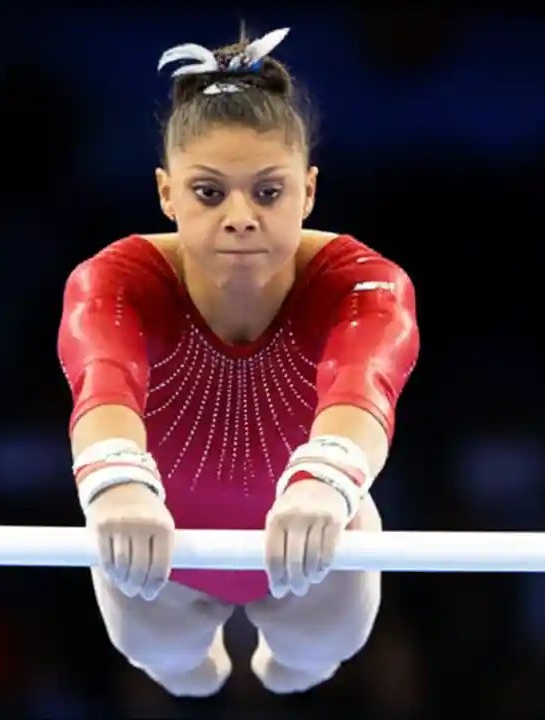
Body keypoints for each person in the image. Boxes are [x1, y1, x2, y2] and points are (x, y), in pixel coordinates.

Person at [57, 26, 420, 697]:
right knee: (174, 666)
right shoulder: (115, 281)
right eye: (209, 192)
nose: (240, 217)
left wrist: (326, 479)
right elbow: (103, 381)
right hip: (160, 548)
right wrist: (116, 483)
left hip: (313, 551)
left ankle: (287, 664)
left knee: (309, 661)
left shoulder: (363, 283)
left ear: (308, 192)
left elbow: (363, 383)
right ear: (167, 195)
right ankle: (195, 667)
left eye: (268, 191)